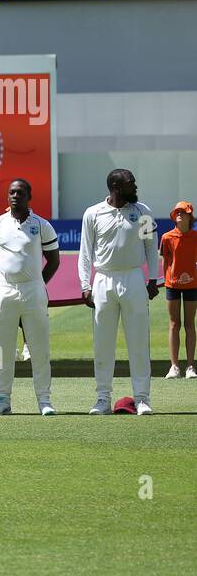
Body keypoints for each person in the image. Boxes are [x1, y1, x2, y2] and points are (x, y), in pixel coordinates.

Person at [78, 169, 159, 414]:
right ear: (115, 186)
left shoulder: (142, 212)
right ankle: (102, 399)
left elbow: (150, 246)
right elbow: (85, 252)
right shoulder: (92, 213)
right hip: (103, 279)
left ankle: (142, 398)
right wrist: (85, 284)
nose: (135, 187)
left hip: (134, 277)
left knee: (138, 342)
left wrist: (152, 279)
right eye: (130, 183)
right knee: (103, 343)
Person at [0, 179, 60, 416]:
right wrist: (3, 285)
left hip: (33, 291)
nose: (15, 196)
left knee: (39, 347)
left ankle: (44, 400)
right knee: (0, 349)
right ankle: (2, 399)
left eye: (20, 192)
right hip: (4, 291)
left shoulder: (42, 225)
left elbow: (54, 260)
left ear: (29, 196)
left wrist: (37, 283)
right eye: (11, 192)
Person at [161, 199, 197, 378]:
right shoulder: (167, 237)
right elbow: (165, 261)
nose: (179, 214)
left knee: (190, 324)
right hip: (172, 285)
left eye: (183, 212)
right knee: (175, 323)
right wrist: (165, 281)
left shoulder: (196, 237)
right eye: (177, 212)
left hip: (193, 285)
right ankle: (174, 367)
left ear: (190, 216)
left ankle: (190, 366)